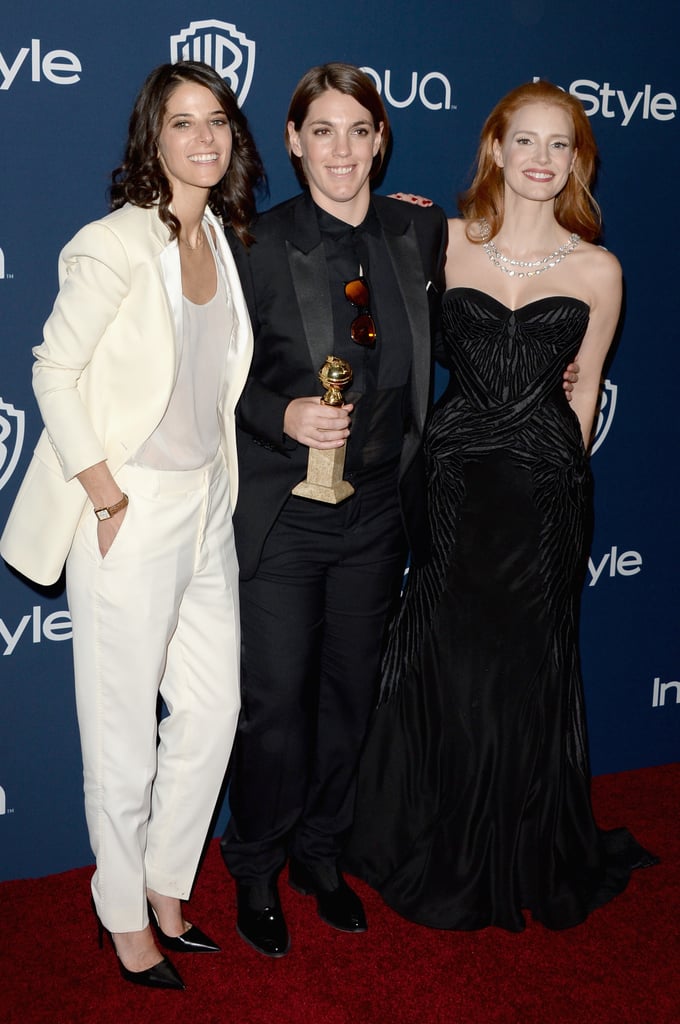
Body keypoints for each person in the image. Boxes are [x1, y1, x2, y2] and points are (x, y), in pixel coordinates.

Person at [345, 80, 657, 932]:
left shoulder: (599, 268)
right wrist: (390, 213)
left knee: (528, 664)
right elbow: (360, 286)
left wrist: (565, 473)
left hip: (546, 493)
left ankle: (519, 844)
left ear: (578, 161)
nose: (542, 160)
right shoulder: (440, 242)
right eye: (527, 141)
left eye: (561, 145)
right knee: (444, 655)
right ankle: (429, 827)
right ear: (495, 148)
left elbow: (585, 386)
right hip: (454, 482)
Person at [0, 61, 264, 987]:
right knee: (120, 731)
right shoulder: (110, 245)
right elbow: (50, 371)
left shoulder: (223, 241)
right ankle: (122, 914)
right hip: (129, 508)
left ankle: (162, 879)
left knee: (214, 711)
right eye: (183, 121)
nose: (204, 137)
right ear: (152, 138)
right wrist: (106, 493)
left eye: (218, 120)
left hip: (204, 509)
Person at [218, 62, 448, 957]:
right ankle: (254, 865)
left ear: (381, 139)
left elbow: (505, 282)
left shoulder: (420, 230)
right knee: (275, 704)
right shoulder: (251, 245)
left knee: (352, 696)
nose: (342, 148)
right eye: (323, 130)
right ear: (291, 139)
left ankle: (321, 853)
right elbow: (209, 378)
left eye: (359, 129)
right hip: (286, 515)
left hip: (380, 505)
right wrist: (281, 413)